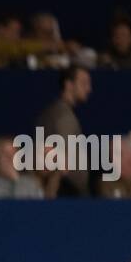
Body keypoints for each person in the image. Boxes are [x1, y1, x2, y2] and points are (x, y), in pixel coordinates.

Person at [34, 65, 94, 196]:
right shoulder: (63, 116)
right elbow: (65, 162)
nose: (89, 89)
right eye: (84, 83)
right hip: (66, 195)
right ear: (69, 85)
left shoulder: (56, 112)